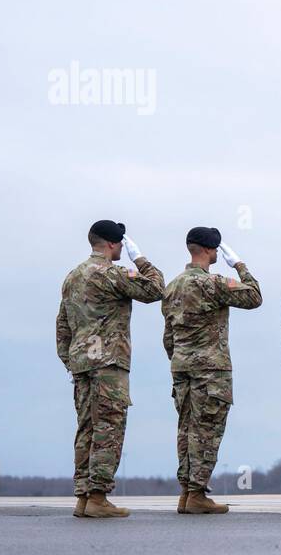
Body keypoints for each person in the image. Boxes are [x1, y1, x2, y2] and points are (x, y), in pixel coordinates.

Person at [56, 220, 165, 518]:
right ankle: (99, 496)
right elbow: (156, 288)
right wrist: (140, 259)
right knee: (109, 427)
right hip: (108, 363)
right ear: (113, 244)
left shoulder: (73, 276)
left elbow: (62, 324)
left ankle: (84, 495)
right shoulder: (113, 274)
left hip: (81, 364)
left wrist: (71, 360)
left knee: (87, 428)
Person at [161, 227, 262, 515]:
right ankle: (197, 493)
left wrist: (181, 357)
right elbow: (254, 297)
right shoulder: (213, 283)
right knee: (206, 431)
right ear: (207, 250)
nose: (218, 253)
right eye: (216, 249)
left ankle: (186, 492)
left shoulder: (173, 286)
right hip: (210, 370)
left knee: (186, 429)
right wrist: (239, 265)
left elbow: (168, 336)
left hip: (182, 367)